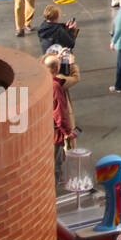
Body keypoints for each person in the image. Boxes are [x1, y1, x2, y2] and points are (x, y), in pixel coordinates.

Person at [44, 49, 80, 185]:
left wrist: (54, 58)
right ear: (57, 68)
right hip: (54, 132)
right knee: (56, 162)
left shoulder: (41, 80)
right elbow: (59, 112)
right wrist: (67, 132)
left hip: (45, 130)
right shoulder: (56, 85)